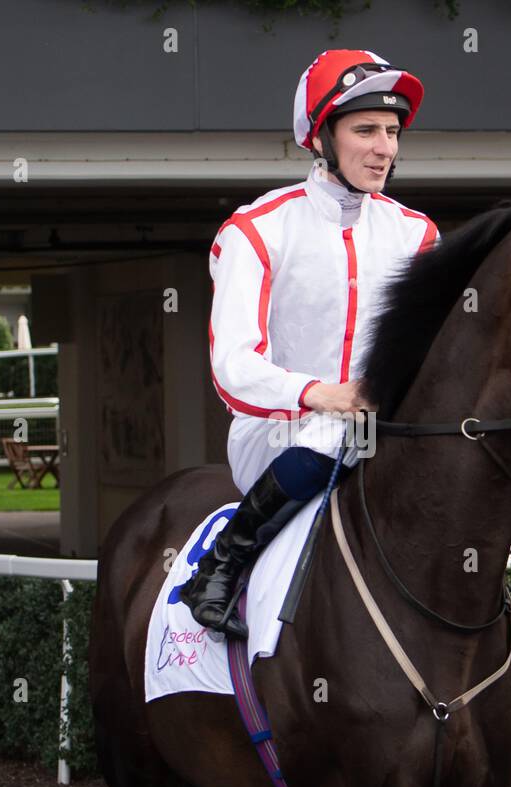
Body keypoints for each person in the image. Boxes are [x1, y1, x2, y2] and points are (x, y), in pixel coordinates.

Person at [179, 49, 439, 639]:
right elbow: (232, 368)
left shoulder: (417, 234)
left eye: (393, 132)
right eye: (366, 130)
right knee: (340, 427)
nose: (385, 148)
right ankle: (226, 559)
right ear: (321, 137)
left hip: (383, 430)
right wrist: (324, 395)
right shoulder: (255, 230)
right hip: (276, 433)